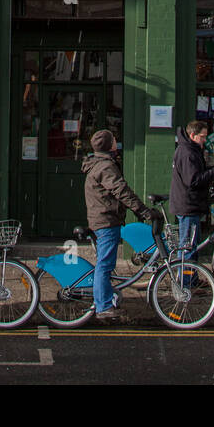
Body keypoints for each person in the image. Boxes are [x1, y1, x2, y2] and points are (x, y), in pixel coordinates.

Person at [82, 129, 159, 323]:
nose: (117, 141)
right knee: (105, 265)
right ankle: (103, 306)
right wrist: (142, 211)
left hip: (104, 219)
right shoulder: (105, 167)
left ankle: (107, 298)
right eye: (114, 140)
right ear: (109, 145)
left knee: (105, 264)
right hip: (106, 221)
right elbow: (121, 191)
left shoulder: (99, 163)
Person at [169, 120, 214, 262]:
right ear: (193, 135)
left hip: (191, 205)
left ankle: (191, 277)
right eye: (202, 137)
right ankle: (184, 282)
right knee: (188, 247)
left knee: (192, 246)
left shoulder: (191, 150)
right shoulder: (188, 153)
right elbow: (192, 180)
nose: (205, 140)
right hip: (188, 206)